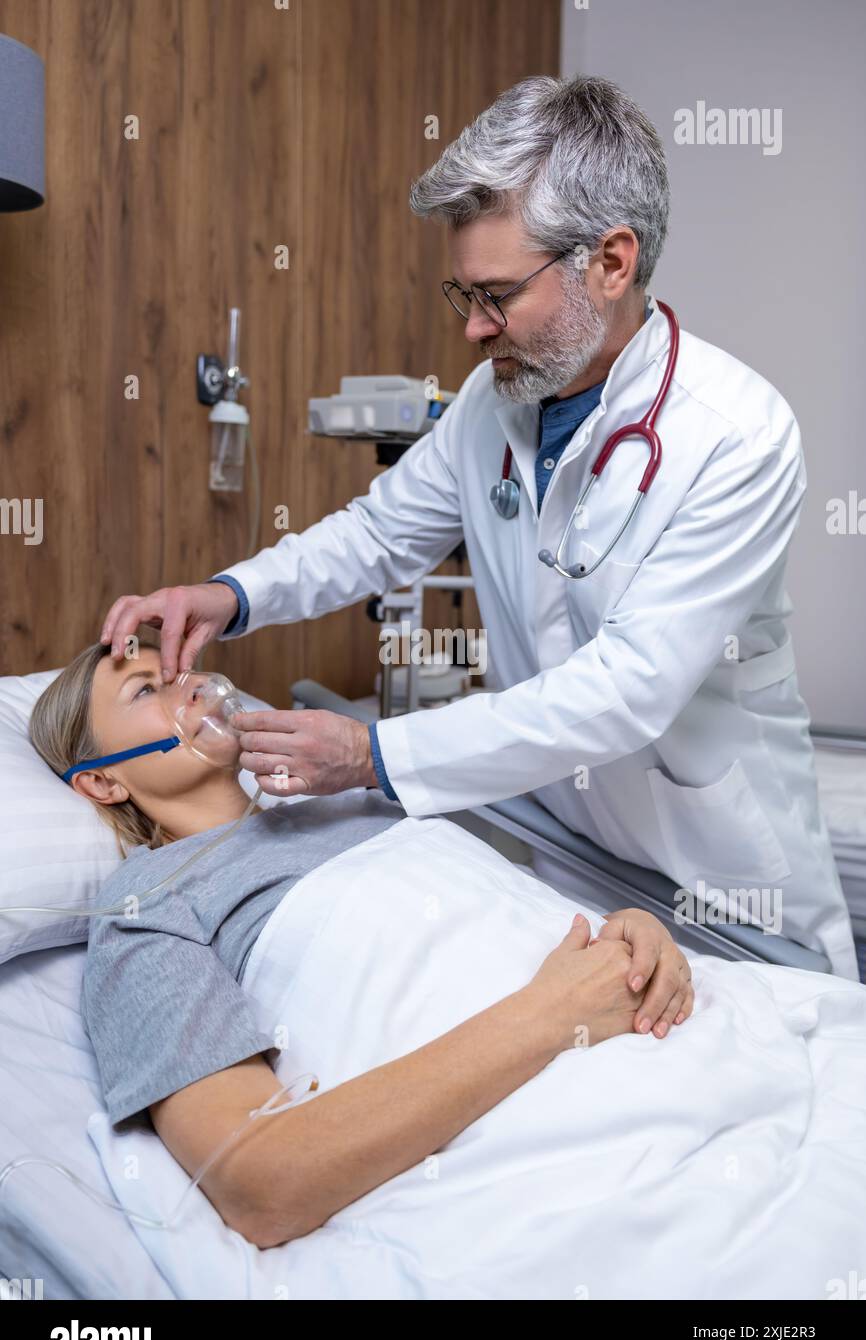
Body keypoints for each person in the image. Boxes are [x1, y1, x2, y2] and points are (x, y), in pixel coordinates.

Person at [99, 74, 856, 980]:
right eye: (463, 296)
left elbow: (627, 690)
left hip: (718, 880)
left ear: (611, 264)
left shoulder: (734, 435)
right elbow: (379, 535)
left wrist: (373, 751)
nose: (472, 331)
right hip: (559, 845)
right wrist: (232, 594)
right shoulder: (493, 401)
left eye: (496, 295)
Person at [29, 640, 693, 1248]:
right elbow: (260, 1184)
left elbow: (497, 920)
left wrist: (631, 933)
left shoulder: (351, 801)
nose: (189, 685)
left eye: (179, 669)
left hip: (663, 1034)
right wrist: (551, 1015)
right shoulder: (147, 903)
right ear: (102, 781)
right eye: (145, 690)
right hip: (571, 1127)